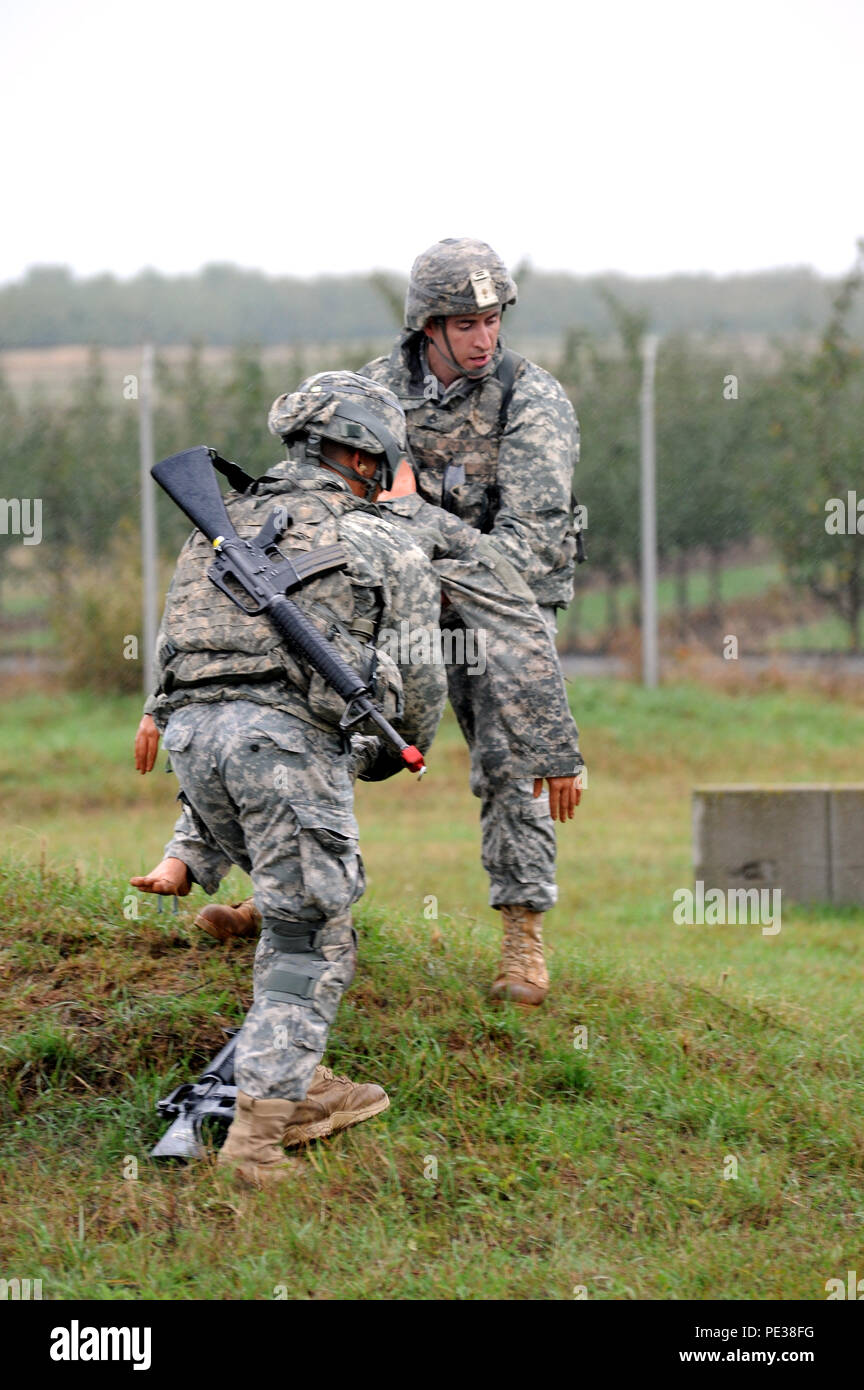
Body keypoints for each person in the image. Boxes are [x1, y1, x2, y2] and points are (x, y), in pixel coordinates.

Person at [132, 373, 582, 1186]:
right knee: (311, 942)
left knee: (289, 912)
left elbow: (178, 646)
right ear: (360, 454)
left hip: (194, 751)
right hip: (283, 758)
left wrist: (164, 721)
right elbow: (414, 693)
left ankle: (291, 1081)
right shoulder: (384, 541)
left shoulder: (215, 527)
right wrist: (382, 753)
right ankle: (260, 1144)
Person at [359, 238, 583, 1005]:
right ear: (429, 326)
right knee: (333, 715)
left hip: (505, 610)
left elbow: (523, 553)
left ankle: (523, 937)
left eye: (492, 319)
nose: (484, 338)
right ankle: (290, 893)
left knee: (508, 759)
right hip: (407, 600)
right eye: (465, 324)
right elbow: (338, 506)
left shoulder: (533, 398)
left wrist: (416, 518)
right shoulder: (374, 393)